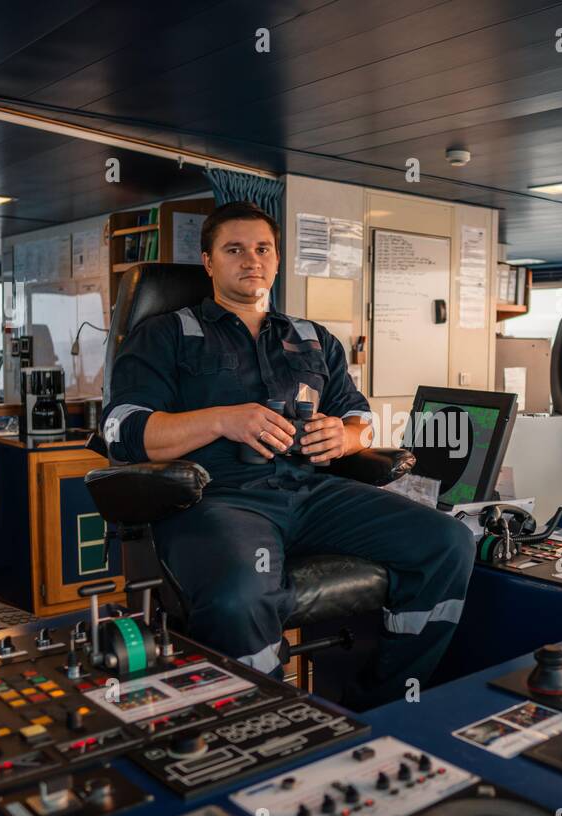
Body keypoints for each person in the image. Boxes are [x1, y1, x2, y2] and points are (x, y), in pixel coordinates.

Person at [101, 201, 476, 707]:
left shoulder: (313, 338)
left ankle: (389, 702)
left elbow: (360, 418)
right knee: (241, 597)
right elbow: (122, 431)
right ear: (209, 262)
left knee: (448, 541)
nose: (251, 260)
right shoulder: (167, 334)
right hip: (218, 500)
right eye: (234, 249)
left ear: (276, 261)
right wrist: (222, 418)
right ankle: (270, 723)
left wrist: (346, 438)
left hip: (313, 492)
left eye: (263, 249)